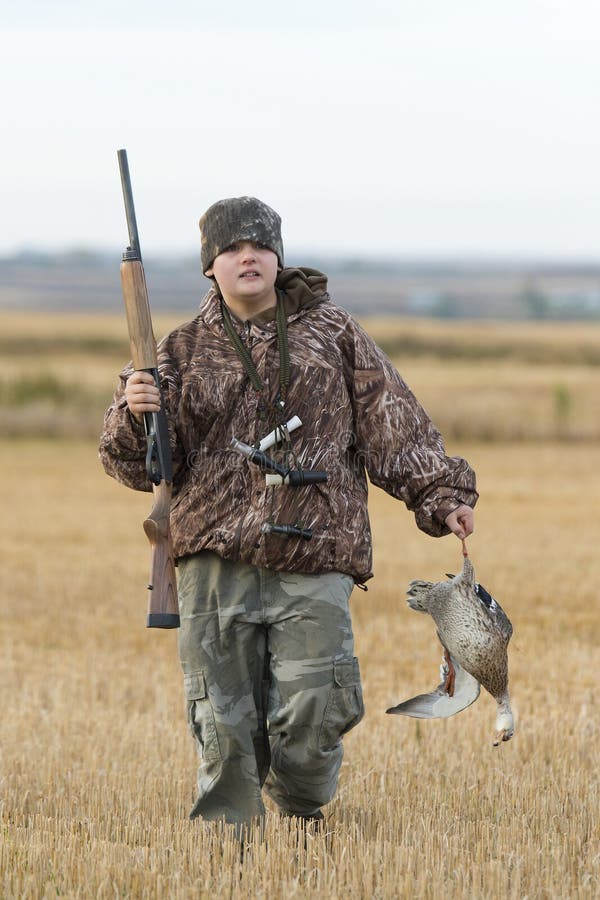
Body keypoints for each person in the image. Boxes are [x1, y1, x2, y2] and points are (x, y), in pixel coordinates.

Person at [99, 196, 477, 835]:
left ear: (277, 257)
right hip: (213, 560)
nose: (247, 257)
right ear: (210, 265)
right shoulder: (177, 351)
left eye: (260, 246)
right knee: (222, 720)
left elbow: (394, 427)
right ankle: (227, 844)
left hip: (315, 553)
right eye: (231, 248)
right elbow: (137, 466)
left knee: (315, 710)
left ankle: (301, 812)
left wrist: (442, 494)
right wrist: (132, 415)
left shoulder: (334, 334)